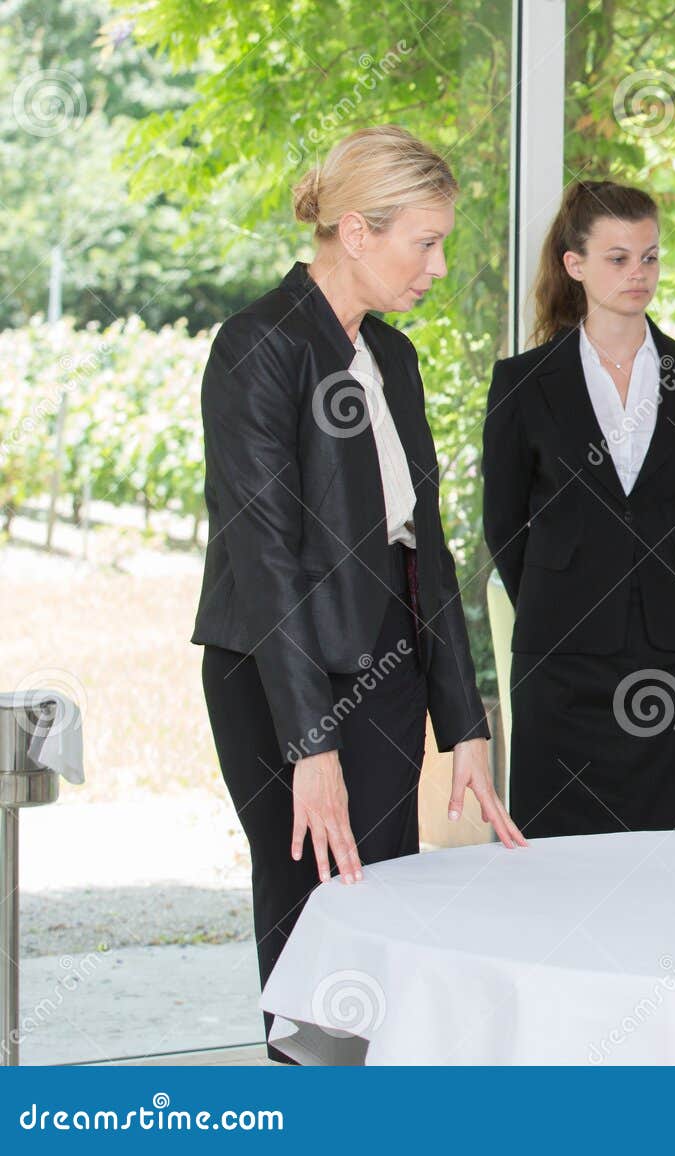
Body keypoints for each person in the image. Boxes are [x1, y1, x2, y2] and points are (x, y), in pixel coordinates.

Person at [192, 125, 524, 1063]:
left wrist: (465, 722)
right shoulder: (257, 347)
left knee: (384, 897)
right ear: (355, 229)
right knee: (306, 901)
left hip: (384, 667)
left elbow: (424, 545)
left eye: (443, 243)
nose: (437, 266)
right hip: (273, 671)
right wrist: (312, 742)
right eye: (424, 242)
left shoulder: (397, 360)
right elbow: (263, 558)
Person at [482, 180, 675, 838]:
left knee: (674, 844)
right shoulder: (524, 382)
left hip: (668, 646)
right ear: (576, 264)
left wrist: (662, 590)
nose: (638, 274)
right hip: (560, 651)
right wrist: (558, 590)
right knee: (560, 851)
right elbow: (504, 523)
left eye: (649, 256)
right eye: (618, 258)